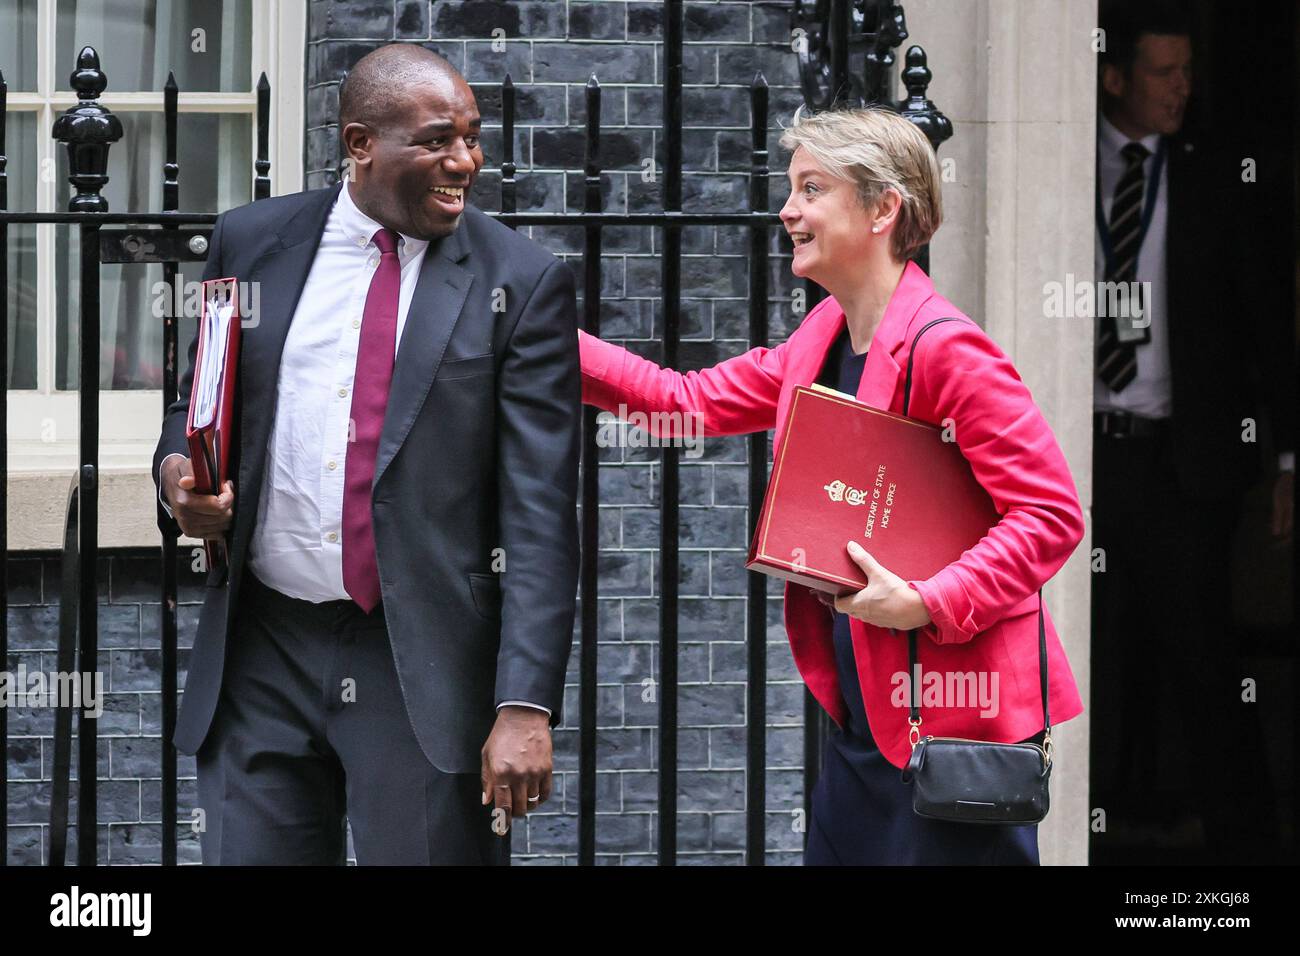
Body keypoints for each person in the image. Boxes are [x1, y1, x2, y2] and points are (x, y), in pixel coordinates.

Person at [578, 106, 1086, 864]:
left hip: (952, 732)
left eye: (812, 189)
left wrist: (927, 600)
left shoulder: (948, 351)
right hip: (862, 728)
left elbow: (1050, 515)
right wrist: (539, 332)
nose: (788, 210)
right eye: (792, 189)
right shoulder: (815, 342)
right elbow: (682, 402)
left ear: (884, 208)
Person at [152, 45, 581, 865]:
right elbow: (194, 405)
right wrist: (179, 477)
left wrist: (526, 702)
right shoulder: (251, 242)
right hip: (261, 649)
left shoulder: (521, 284)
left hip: (416, 661)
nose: (466, 161)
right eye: (436, 141)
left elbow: (539, 511)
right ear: (360, 144)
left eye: (472, 137)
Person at [1090, 0, 1293, 859]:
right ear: (1115, 78)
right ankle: (1087, 825)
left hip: (1181, 462)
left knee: (1207, 666)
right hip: (1079, 455)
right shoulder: (1058, 159)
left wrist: (1285, 452)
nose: (1182, 89)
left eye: (1186, 72)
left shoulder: (1215, 172)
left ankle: (1246, 853)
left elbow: (1267, 321)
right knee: (1088, 655)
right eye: (1163, 73)